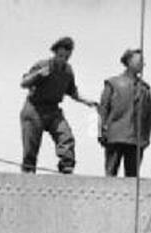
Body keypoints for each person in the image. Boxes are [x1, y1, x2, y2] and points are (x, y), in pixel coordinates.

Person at [19, 37, 96, 174]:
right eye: (61, 56)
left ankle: (66, 166)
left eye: (67, 56)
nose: (63, 59)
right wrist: (37, 75)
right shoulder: (43, 65)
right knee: (31, 145)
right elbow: (24, 83)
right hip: (35, 108)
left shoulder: (68, 71)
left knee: (65, 136)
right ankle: (28, 172)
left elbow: (72, 92)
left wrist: (87, 101)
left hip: (53, 109)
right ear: (55, 53)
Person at [98, 48, 151, 177]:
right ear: (128, 61)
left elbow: (148, 117)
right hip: (114, 137)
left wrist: (146, 138)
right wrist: (101, 132)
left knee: (132, 180)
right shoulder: (113, 83)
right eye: (140, 60)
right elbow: (103, 110)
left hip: (136, 140)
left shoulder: (145, 88)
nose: (142, 64)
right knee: (110, 176)